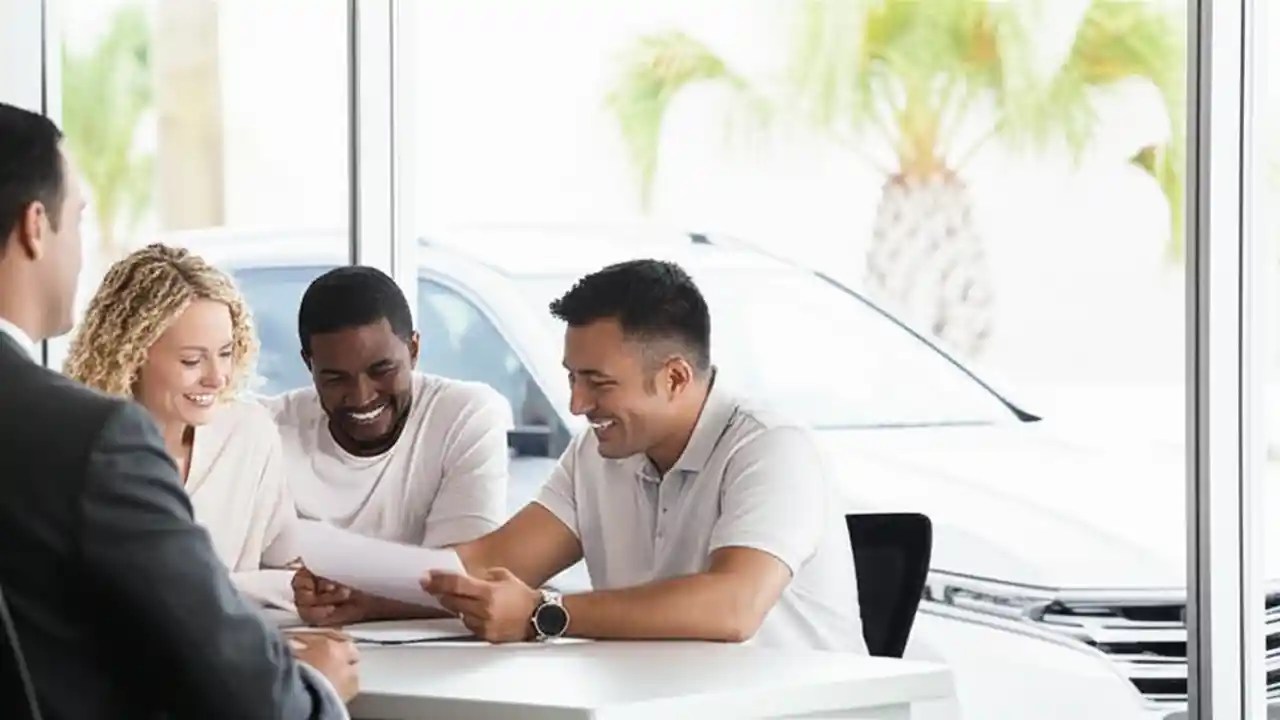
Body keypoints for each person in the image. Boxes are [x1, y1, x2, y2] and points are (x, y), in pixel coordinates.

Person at [0, 101, 357, 719]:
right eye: (77, 221)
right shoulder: (91, 439)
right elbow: (249, 699)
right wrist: (316, 690)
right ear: (36, 226)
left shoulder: (236, 435)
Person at [421, 259, 867, 652]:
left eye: (598, 382)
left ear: (674, 377)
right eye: (573, 378)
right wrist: (367, 598)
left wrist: (545, 613)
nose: (577, 404)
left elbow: (733, 606)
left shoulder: (772, 447)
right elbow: (492, 562)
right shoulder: (596, 453)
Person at [267, 266, 512, 626]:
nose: (362, 396)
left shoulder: (464, 413)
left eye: (382, 370)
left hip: (436, 659)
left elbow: (463, 577)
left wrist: (358, 598)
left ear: (413, 349)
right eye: (335, 379)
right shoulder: (267, 428)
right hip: (305, 652)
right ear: (309, 364)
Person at [64, 243, 301, 610]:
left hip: (233, 660)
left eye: (226, 353)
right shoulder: (80, 450)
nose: (217, 378)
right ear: (131, 356)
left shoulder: (249, 434)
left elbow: (289, 569)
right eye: (192, 360)